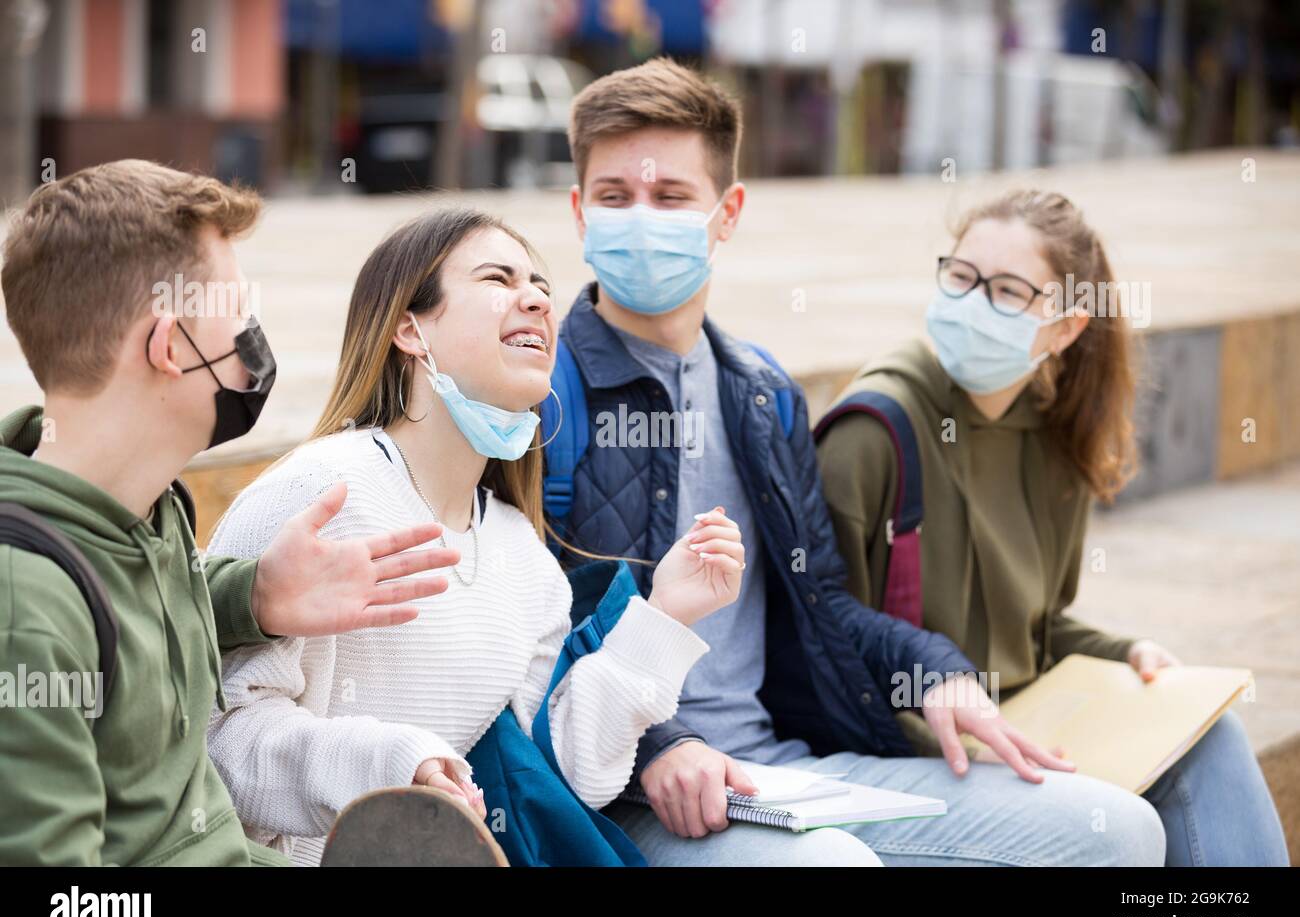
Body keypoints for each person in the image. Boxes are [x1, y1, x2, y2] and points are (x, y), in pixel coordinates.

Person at [544, 57, 1168, 865]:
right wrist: (662, 741)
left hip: (783, 771)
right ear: (579, 212)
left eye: (670, 198)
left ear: (727, 213)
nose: (640, 218)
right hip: (633, 794)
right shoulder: (541, 394)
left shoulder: (761, 391)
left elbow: (825, 601)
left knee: (1119, 832)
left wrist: (938, 671)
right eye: (615, 196)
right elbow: (533, 624)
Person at [202, 208, 769, 866]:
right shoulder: (315, 496)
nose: (535, 297)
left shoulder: (519, 552)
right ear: (410, 329)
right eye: (498, 279)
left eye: (539, 285)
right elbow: (221, 745)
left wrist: (667, 614)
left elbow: (576, 772)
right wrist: (392, 764)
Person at [815, 188, 1290, 867]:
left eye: (1007, 291)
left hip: (1019, 720)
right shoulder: (874, 430)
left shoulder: (1050, 432)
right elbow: (820, 636)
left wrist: (1123, 652)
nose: (973, 304)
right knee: (1121, 826)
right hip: (912, 747)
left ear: (1065, 328)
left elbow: (1031, 627)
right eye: (961, 277)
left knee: (1216, 738)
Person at [0, 160, 453, 865]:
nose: (253, 337)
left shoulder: (138, 512)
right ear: (169, 346)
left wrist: (254, 597)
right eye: (238, 313)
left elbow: (126, 617)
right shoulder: (24, 609)